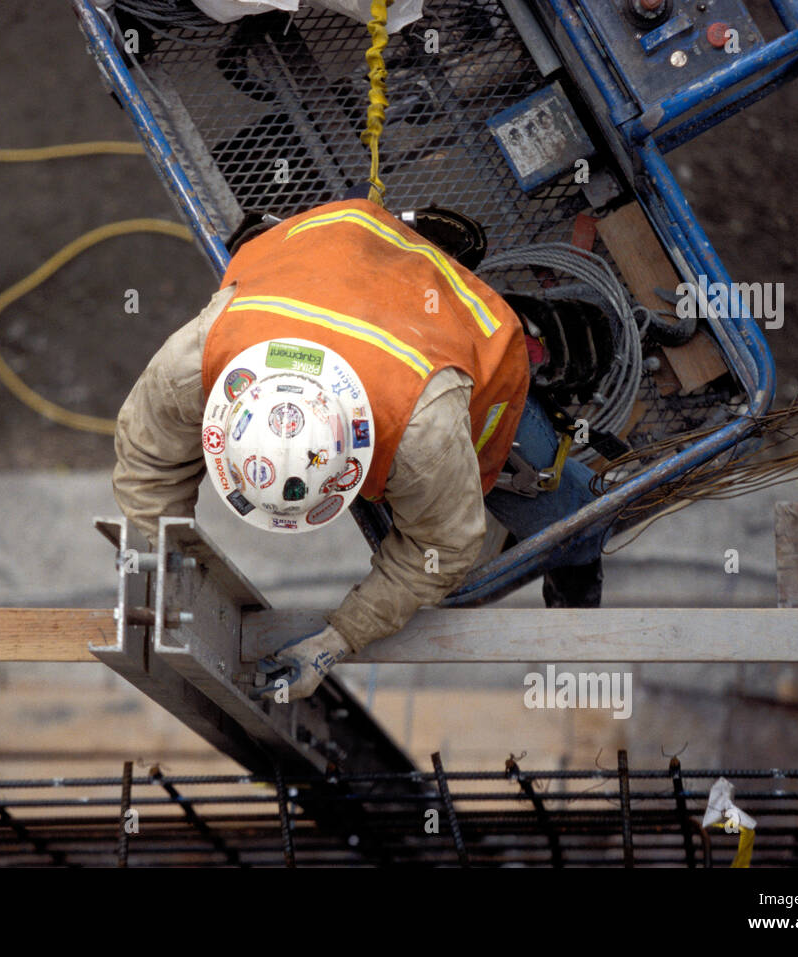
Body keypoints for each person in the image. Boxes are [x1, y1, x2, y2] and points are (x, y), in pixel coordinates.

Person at [113, 196, 602, 700]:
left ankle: (577, 558)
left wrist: (339, 638)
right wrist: (160, 558)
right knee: (431, 510)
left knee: (557, 517)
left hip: (454, 343)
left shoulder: (424, 431)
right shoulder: (202, 356)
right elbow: (147, 461)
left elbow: (443, 549)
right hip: (333, 245)